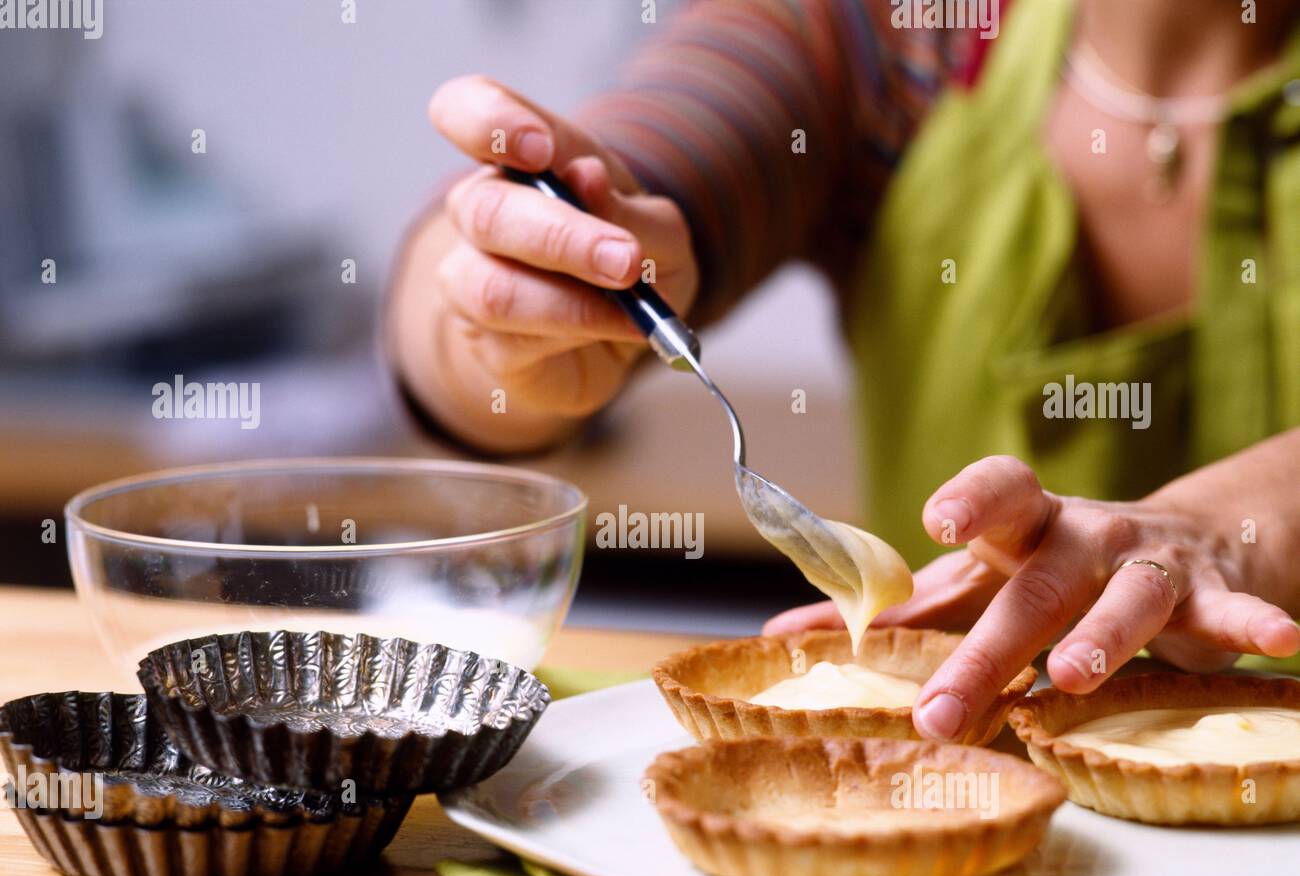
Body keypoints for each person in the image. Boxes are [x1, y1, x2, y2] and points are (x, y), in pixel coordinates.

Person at [387, 0, 1300, 743]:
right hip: (942, 854)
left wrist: (1234, 523)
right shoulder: (891, 35)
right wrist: (492, 308)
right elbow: (633, 162)